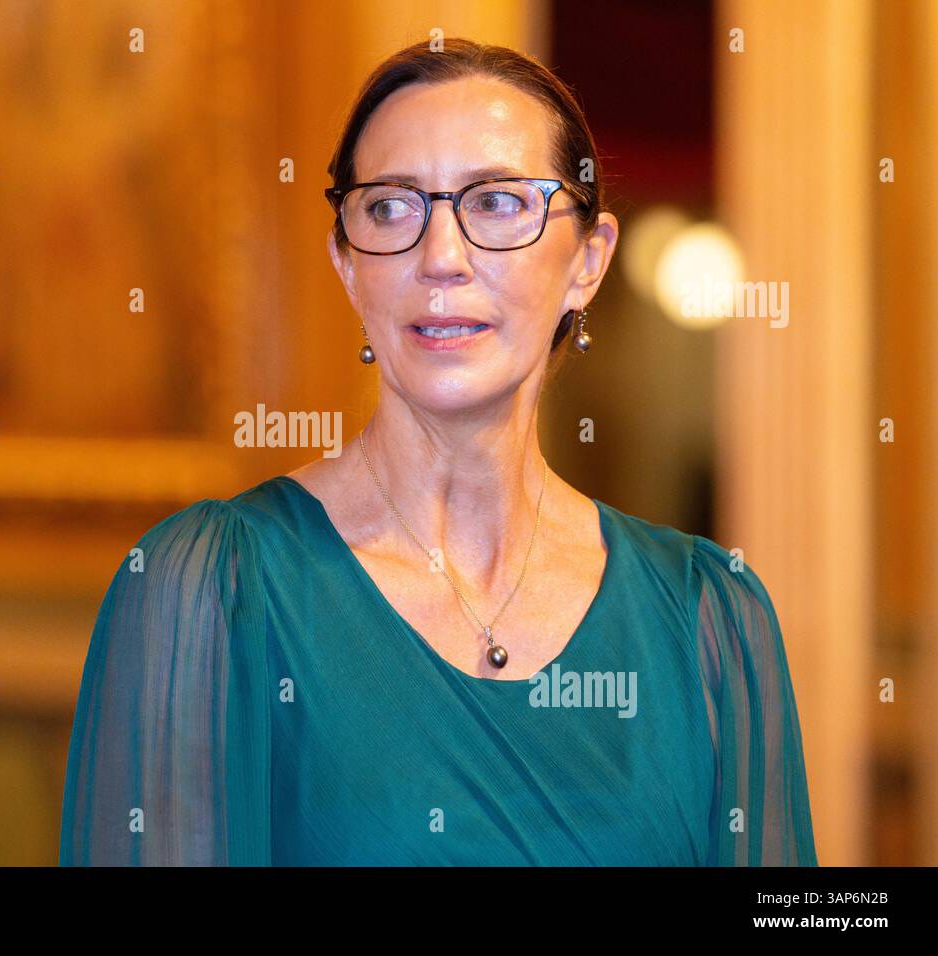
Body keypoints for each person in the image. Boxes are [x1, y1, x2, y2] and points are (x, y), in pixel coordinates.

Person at [59, 38, 817, 866]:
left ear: (588, 263)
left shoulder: (707, 619)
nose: (441, 259)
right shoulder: (214, 589)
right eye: (390, 208)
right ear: (347, 266)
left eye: (496, 203)